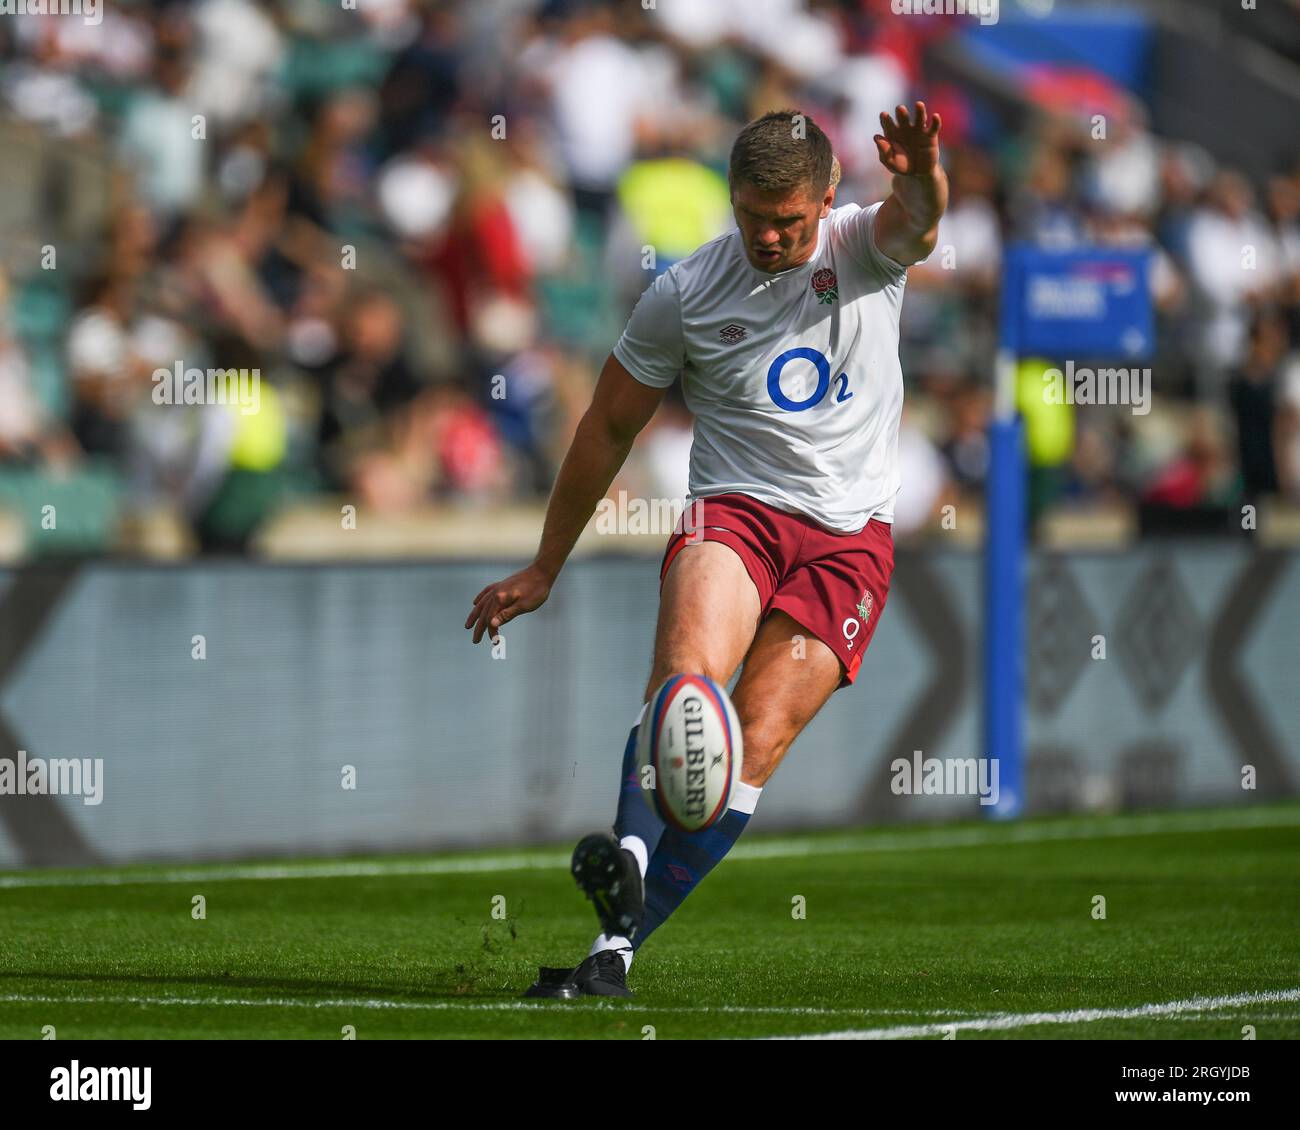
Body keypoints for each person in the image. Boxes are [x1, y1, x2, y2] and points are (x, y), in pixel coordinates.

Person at [465, 104, 947, 997]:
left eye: (789, 220)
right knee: (687, 687)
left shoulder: (863, 250)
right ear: (730, 200)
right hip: (737, 514)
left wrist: (920, 170)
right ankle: (630, 859)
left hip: (849, 543)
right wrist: (545, 566)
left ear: (828, 198)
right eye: (752, 216)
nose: (769, 236)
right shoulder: (684, 293)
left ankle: (614, 952)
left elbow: (917, 218)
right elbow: (606, 428)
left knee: (750, 747)